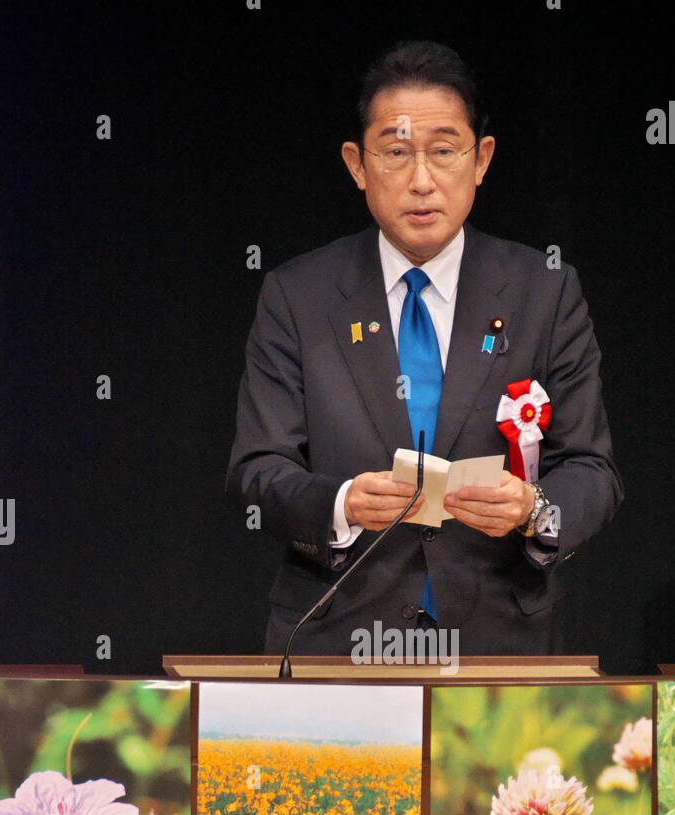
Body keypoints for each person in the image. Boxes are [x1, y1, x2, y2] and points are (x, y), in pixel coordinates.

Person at [226, 40, 621, 655]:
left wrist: (533, 507)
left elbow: (593, 472)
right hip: (339, 635)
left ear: (481, 158)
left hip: (498, 643)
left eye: (443, 151)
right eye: (395, 152)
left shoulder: (543, 291)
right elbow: (258, 468)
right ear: (357, 165)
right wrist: (341, 502)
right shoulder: (296, 295)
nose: (421, 181)